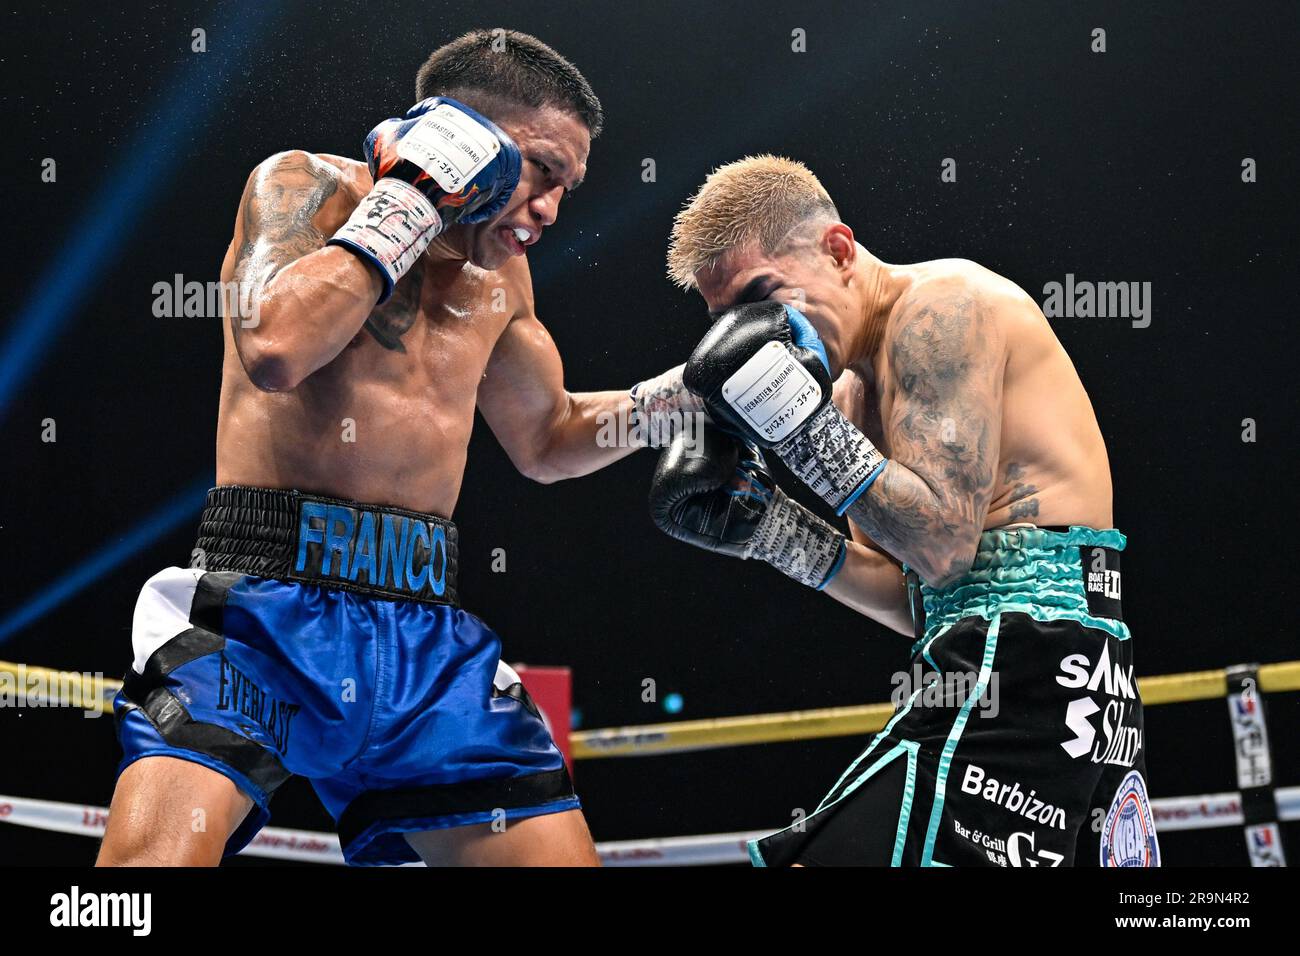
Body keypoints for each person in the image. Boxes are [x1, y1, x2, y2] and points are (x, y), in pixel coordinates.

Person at [97, 29, 701, 867]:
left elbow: (548, 437)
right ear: (465, 134)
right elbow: (273, 347)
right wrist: (409, 203)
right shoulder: (305, 187)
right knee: (143, 881)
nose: (552, 211)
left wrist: (688, 402)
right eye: (541, 172)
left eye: (569, 188)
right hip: (258, 611)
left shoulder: (502, 280)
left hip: (426, 638)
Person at [650, 155, 1159, 867]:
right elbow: (919, 596)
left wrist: (796, 425)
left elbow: (944, 544)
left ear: (838, 249)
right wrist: (770, 531)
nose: (758, 329)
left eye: (764, 295)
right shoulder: (850, 398)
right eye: (732, 318)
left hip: (1022, 666)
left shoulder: (942, 307)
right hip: (1035, 670)